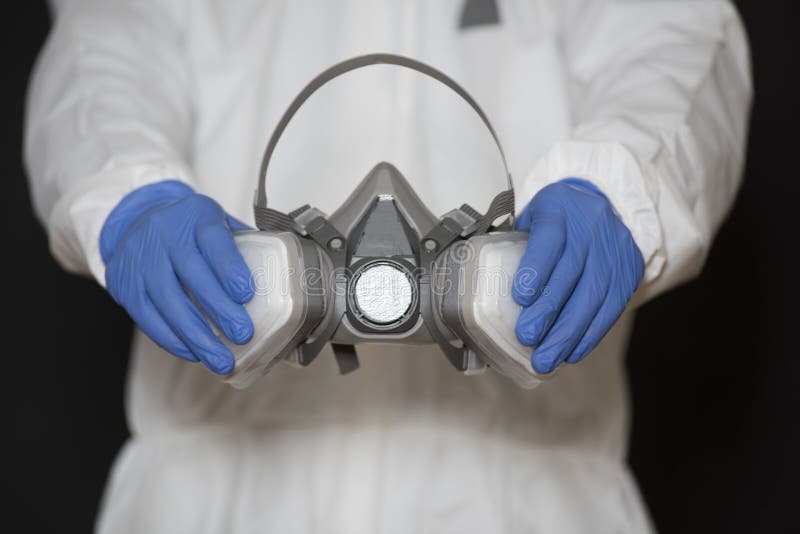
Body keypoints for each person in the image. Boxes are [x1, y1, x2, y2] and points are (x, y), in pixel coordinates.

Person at [25, 0, 751, 532]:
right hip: (210, 500)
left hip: (529, 499)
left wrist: (624, 181)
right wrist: (128, 190)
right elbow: (110, 44)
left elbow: (671, 38)